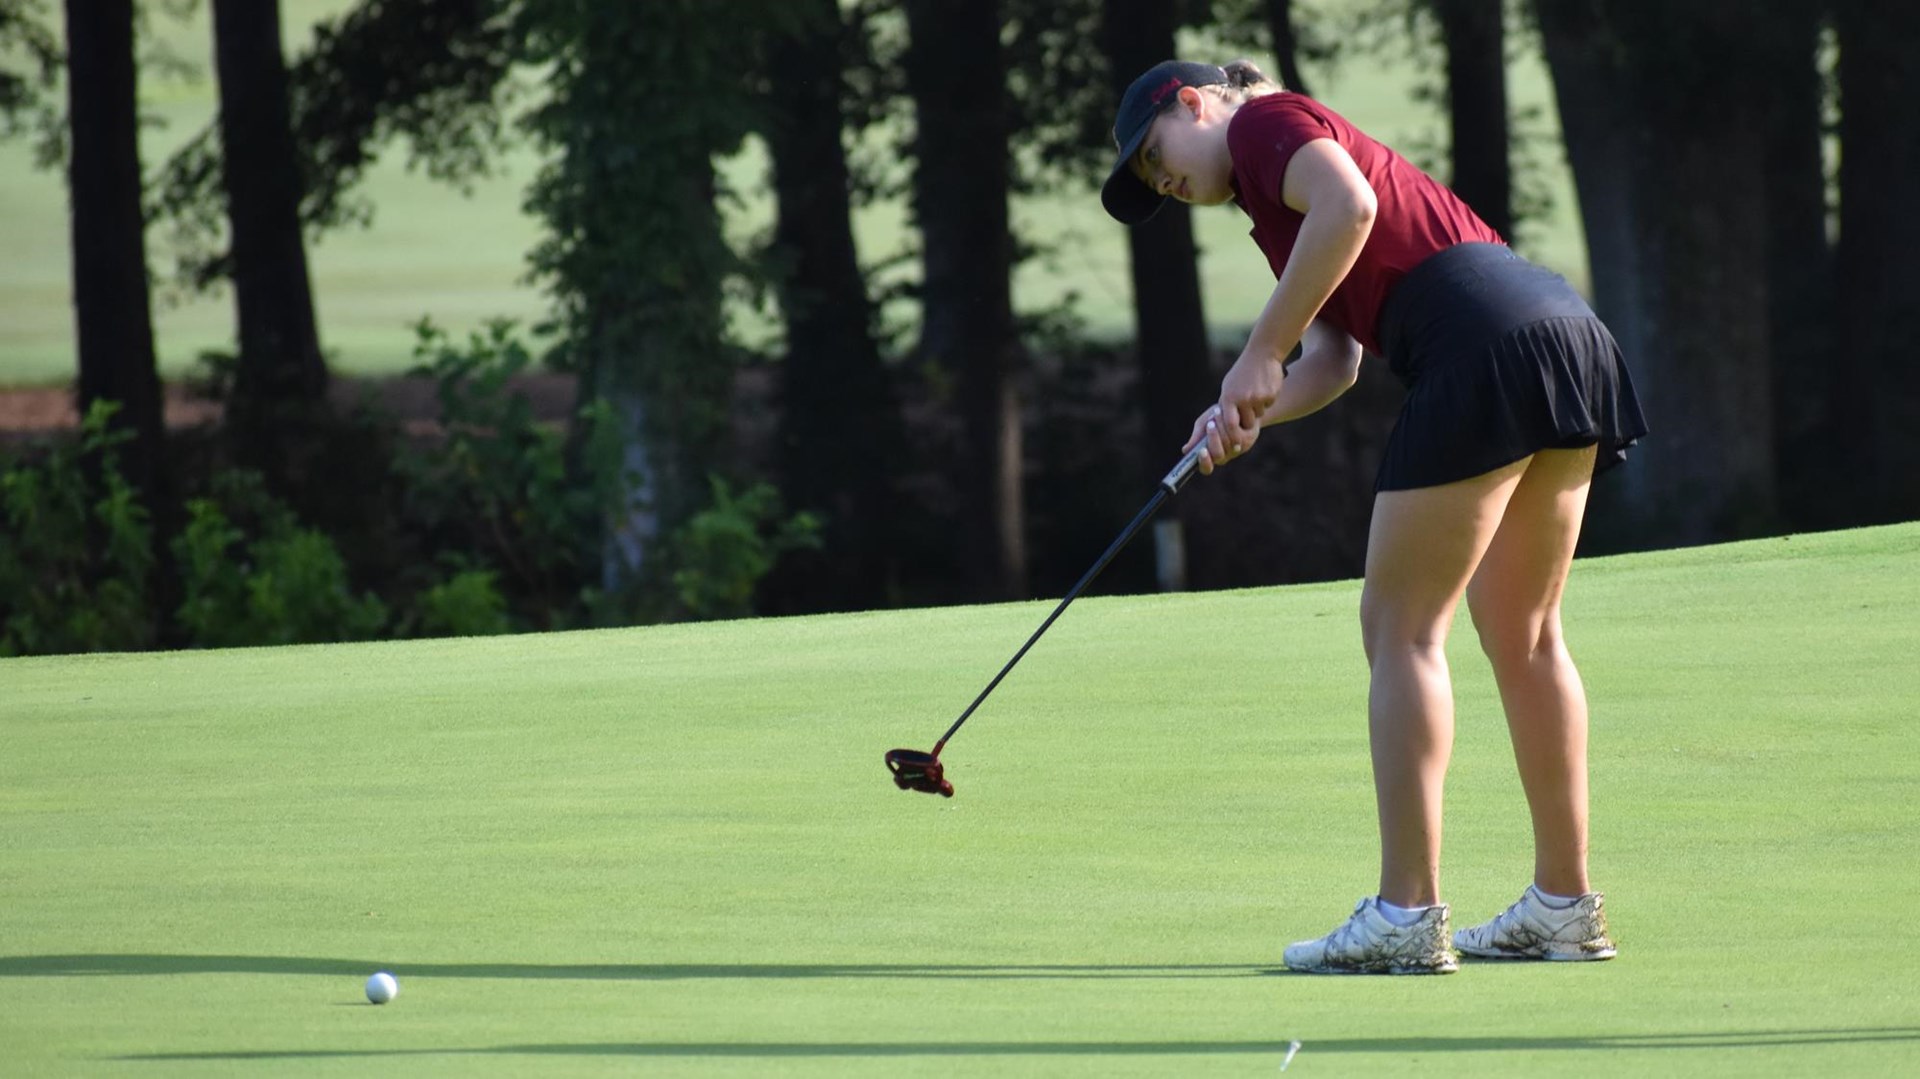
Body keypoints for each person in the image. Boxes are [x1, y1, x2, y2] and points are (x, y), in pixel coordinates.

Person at [1101, 60, 1647, 974]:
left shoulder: (1261, 124)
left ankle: (1405, 911)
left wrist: (1255, 351)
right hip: (1558, 329)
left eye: (1157, 157)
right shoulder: (1276, 210)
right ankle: (1564, 905)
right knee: (1525, 632)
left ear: (1193, 103)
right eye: (1154, 184)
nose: (1167, 183)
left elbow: (1350, 209)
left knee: (1401, 630)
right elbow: (1337, 361)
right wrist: (1244, 408)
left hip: (1477, 343)